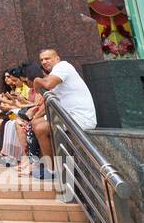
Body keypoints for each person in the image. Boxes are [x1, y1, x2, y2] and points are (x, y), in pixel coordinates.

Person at [26, 48, 97, 179]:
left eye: (47, 58)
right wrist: (35, 115)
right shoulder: (55, 73)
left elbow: (47, 84)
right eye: (41, 60)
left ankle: (51, 169)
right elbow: (49, 100)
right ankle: (44, 165)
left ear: (57, 58)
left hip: (80, 120)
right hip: (68, 118)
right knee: (36, 123)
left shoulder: (63, 66)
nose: (44, 62)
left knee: (40, 127)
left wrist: (36, 80)